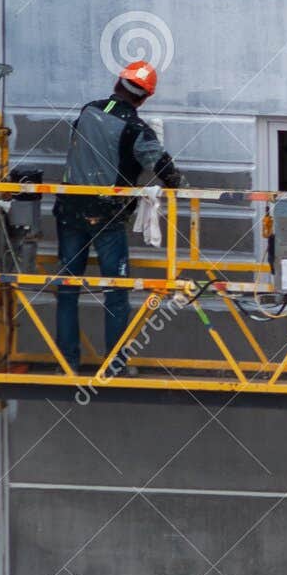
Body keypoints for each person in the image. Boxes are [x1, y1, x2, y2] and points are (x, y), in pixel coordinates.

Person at [54, 59, 184, 371]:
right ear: (145, 97)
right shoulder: (137, 130)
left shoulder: (88, 110)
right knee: (116, 292)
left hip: (69, 210)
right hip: (107, 217)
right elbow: (163, 166)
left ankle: (66, 363)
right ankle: (114, 365)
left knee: (67, 289)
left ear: (117, 83)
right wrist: (177, 185)